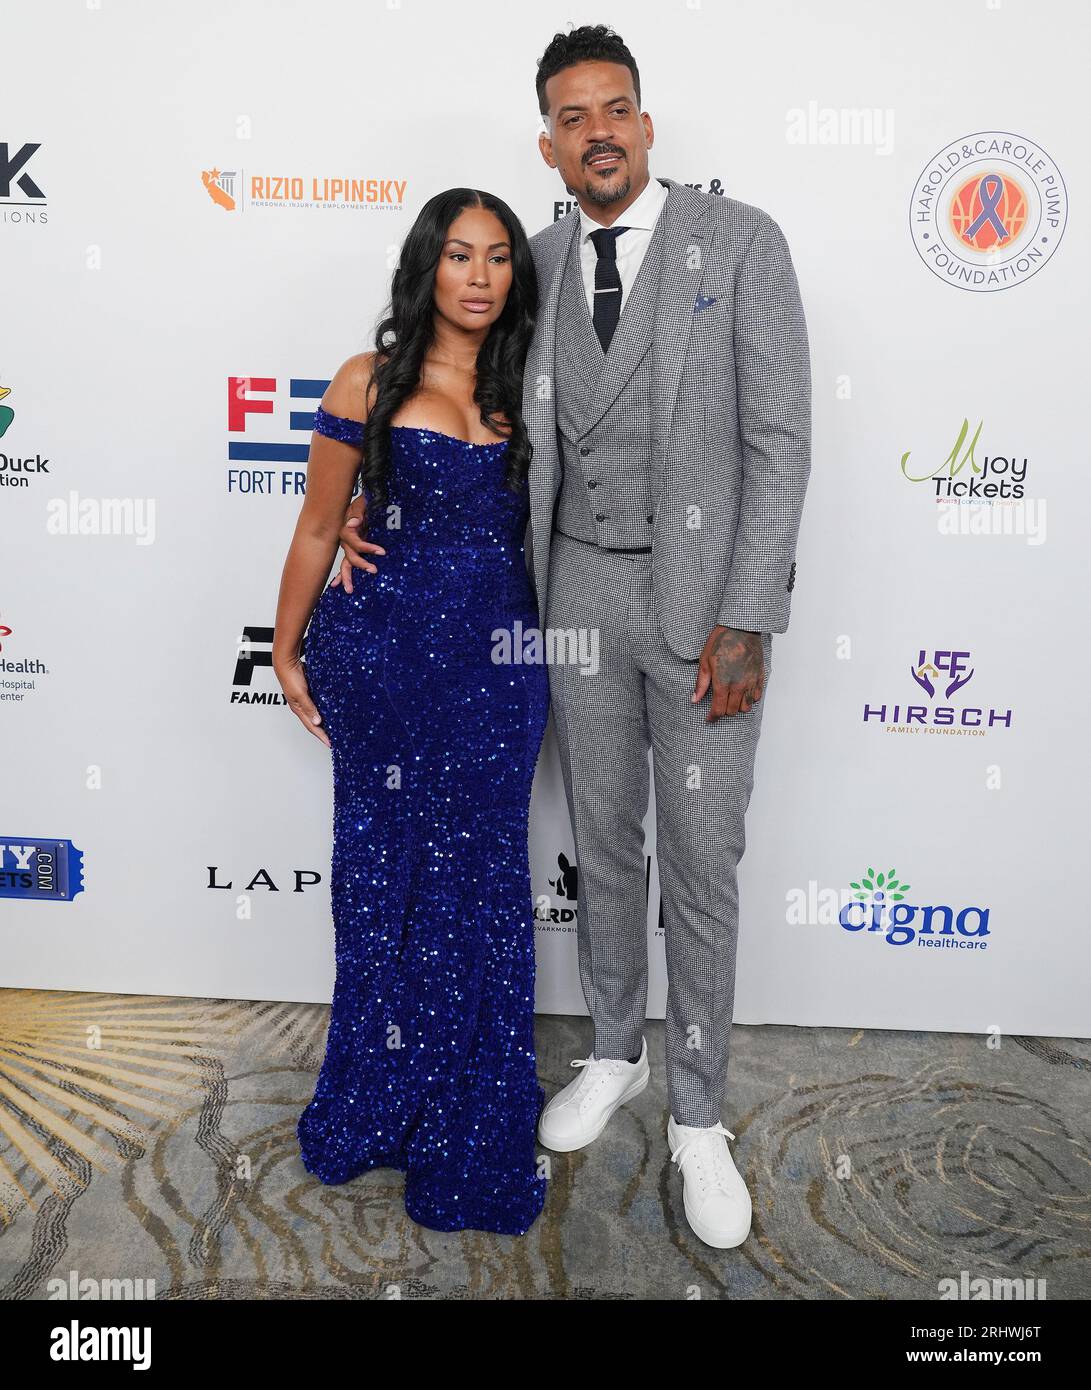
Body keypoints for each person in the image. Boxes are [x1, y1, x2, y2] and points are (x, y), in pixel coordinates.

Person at [336, 25, 812, 1251]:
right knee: (604, 842)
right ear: (545, 140)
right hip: (572, 606)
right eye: (571, 116)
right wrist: (358, 503)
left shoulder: (741, 241)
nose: (596, 132)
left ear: (646, 124)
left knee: (700, 859)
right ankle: (613, 1052)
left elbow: (778, 441)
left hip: (707, 607)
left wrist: (749, 611)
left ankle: (698, 1112)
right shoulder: (531, 262)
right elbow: (450, 417)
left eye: (616, 109)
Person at [272, 188, 548, 1236]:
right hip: (383, 659)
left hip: (498, 669)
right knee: (383, 878)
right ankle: (379, 1095)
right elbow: (312, 527)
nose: (477, 277)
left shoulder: (531, 383)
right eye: (458, 255)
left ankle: (462, 1104)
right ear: (426, 266)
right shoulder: (369, 380)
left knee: (478, 884)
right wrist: (287, 650)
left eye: (496, 258)